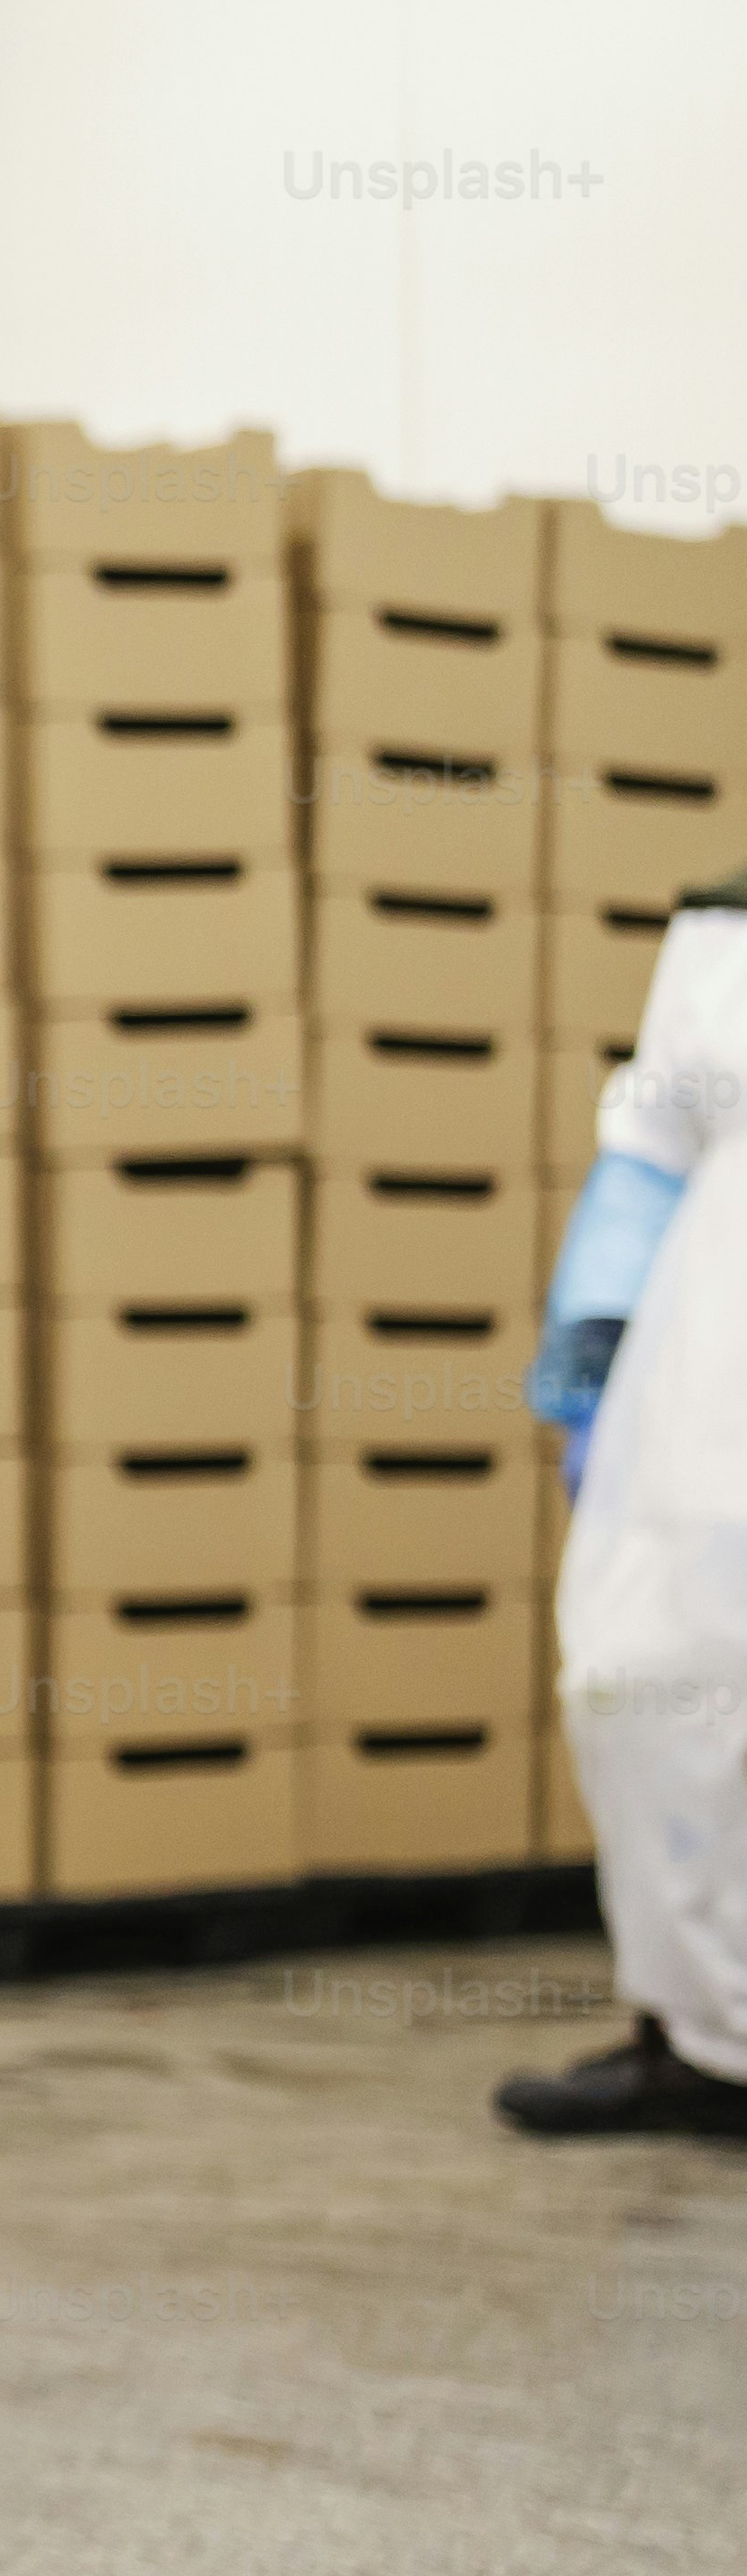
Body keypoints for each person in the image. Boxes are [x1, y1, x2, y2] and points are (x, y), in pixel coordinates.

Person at [505, 884, 747, 2139]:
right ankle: (698, 2039)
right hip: (707, 1362)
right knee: (640, 1671)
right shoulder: (722, 931)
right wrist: (591, 1346)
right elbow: (653, 1143)